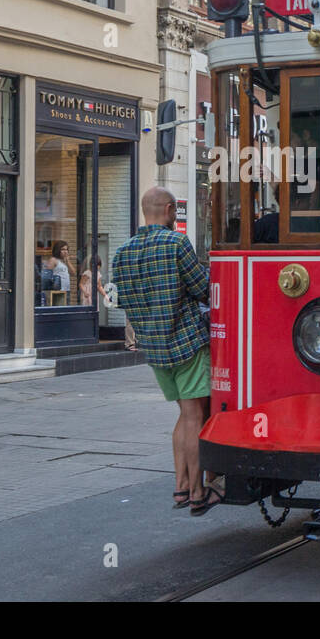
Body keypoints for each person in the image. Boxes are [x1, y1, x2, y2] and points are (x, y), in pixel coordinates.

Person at [110, 187, 220, 515]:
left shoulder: (122, 252)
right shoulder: (176, 244)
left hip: (154, 349)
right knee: (195, 416)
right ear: (170, 210)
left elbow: (122, 302)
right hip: (186, 342)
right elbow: (203, 289)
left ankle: (180, 487)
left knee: (184, 415)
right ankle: (198, 488)